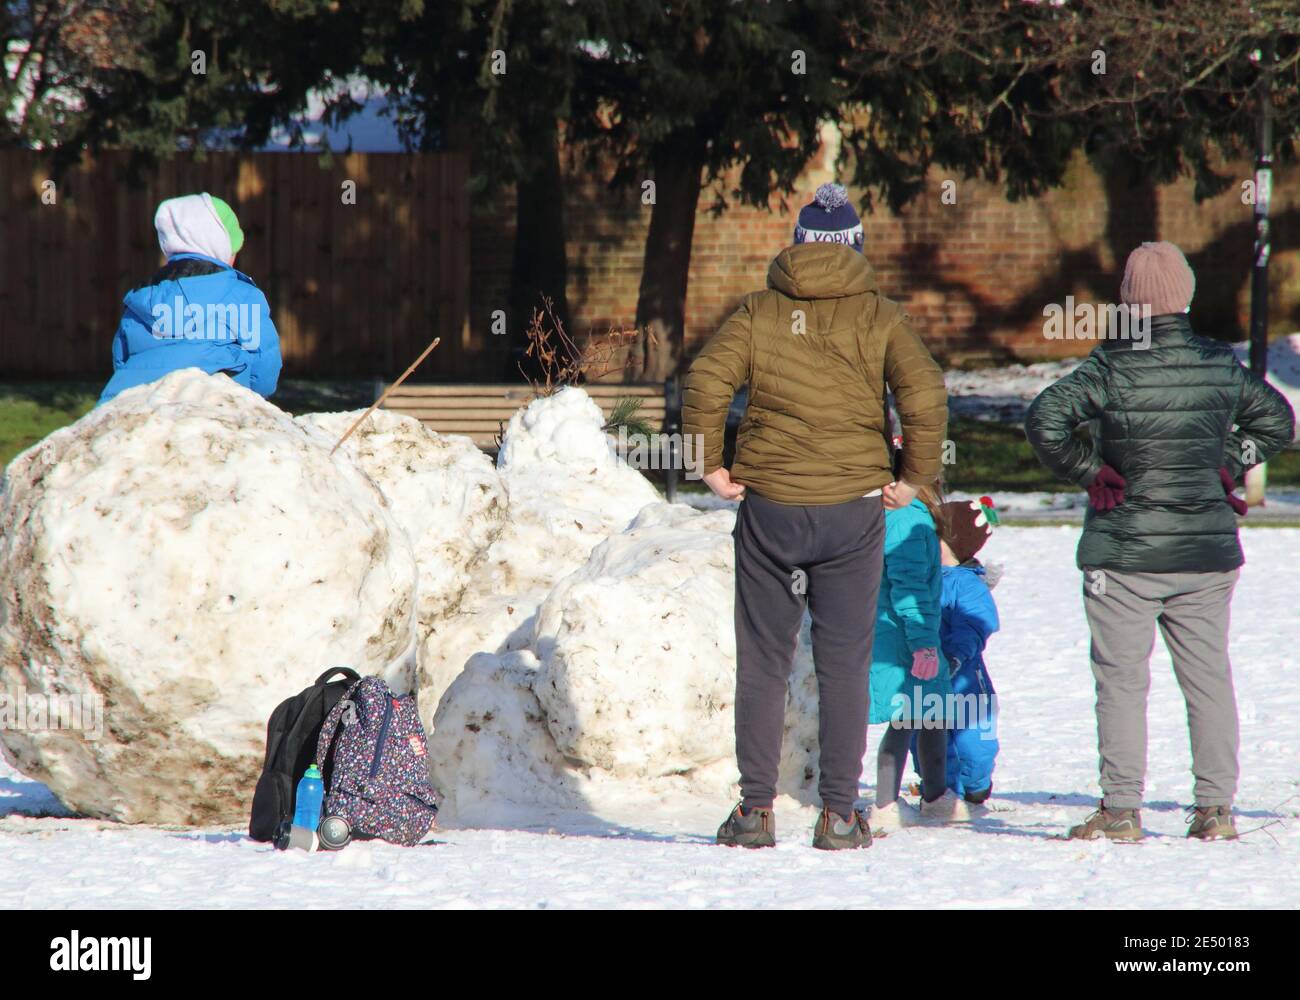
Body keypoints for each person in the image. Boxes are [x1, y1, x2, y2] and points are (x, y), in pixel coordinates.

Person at [683, 182, 948, 850]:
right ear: (855, 246)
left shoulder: (759, 311)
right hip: (851, 513)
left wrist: (709, 465)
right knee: (844, 662)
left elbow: (706, 382)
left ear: (799, 244)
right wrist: (914, 478)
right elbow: (924, 392)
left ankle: (752, 813)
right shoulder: (881, 316)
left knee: (764, 660)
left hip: (770, 507)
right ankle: (837, 815)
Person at [1025, 241, 1294, 842]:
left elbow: (1045, 419)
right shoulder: (1218, 363)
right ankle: (1217, 810)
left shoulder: (1112, 367)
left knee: (1121, 679)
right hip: (1206, 554)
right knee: (1208, 678)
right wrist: (1231, 460)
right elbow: (1277, 420)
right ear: (1187, 296)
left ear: (1128, 299)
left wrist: (1090, 471)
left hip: (1123, 554)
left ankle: (1121, 810)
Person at [99, 193, 281, 405]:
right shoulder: (243, 296)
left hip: (136, 406)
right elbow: (265, 364)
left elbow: (122, 358)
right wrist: (253, 398)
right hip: (214, 407)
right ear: (218, 244)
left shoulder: (142, 297)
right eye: (232, 248)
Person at [868, 476, 959, 834]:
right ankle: (886, 804)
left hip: (909, 630)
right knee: (905, 716)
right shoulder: (907, 517)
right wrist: (922, 641)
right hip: (906, 635)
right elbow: (909, 588)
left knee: (930, 711)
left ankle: (936, 796)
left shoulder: (906, 513)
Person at [925, 497, 1001, 806]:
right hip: (926, 676)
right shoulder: (922, 580)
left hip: (965, 677)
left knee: (973, 739)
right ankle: (941, 788)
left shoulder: (967, 585)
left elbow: (976, 624)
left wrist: (955, 655)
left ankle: (977, 782)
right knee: (925, 735)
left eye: (935, 538)